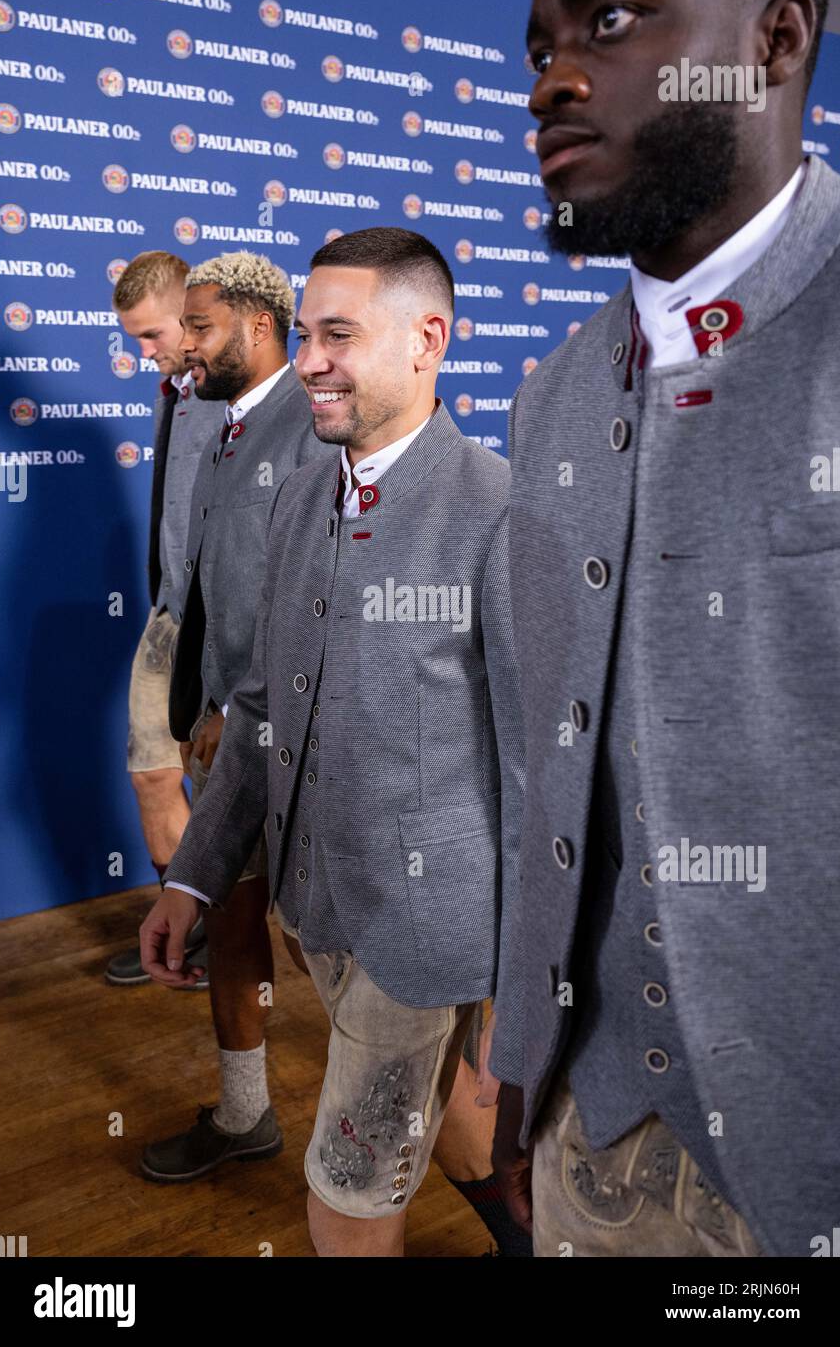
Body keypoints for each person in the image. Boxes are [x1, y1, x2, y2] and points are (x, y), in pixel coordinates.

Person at [490, 0, 840, 1258]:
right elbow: (550, 773)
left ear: (776, 38)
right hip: (593, 1126)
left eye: (612, 16)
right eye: (538, 46)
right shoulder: (550, 398)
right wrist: (523, 1061)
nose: (552, 81)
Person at [139, 228, 527, 1257]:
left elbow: (548, 777)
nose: (307, 359)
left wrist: (536, 993)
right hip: (316, 915)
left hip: (422, 939)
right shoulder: (306, 489)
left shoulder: (502, 515)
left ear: (425, 339)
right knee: (455, 1135)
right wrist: (194, 878)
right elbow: (260, 708)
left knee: (345, 1206)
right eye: (305, 334)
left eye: (337, 335)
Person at [138, 251, 323, 1180]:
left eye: (201, 326)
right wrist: (208, 702)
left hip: (299, 741)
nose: (187, 346)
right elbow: (216, 583)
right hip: (226, 730)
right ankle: (246, 1111)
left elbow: (314, 600)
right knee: (236, 913)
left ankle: (496, 1187)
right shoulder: (219, 420)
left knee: (359, 963)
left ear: (258, 326)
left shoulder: (318, 427)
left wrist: (250, 707)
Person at [107, 251, 223, 987]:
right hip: (168, 616)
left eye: (151, 335)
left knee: (221, 798)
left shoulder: (250, 391)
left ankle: (230, 943)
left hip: (225, 627)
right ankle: (181, 933)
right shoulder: (174, 388)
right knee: (152, 774)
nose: (143, 353)